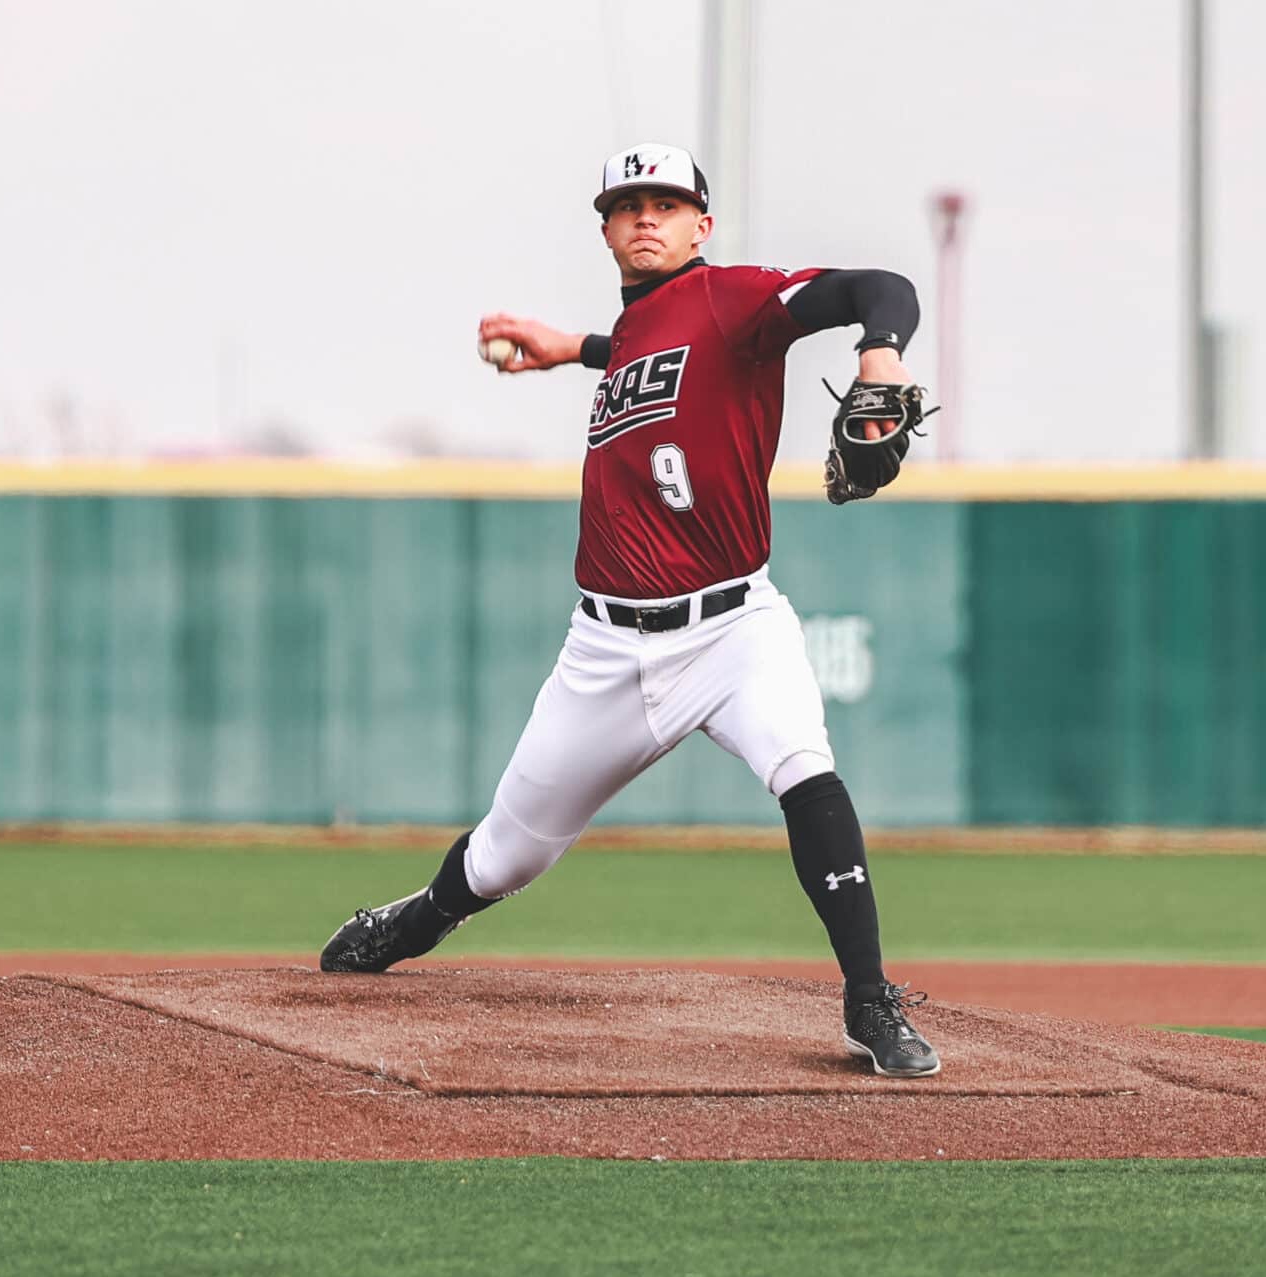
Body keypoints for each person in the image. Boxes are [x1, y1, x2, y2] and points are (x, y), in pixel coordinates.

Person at [320, 142, 940, 1077]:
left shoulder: (736, 300)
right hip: (604, 649)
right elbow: (650, 351)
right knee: (503, 860)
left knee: (805, 768)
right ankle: (418, 917)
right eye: (627, 205)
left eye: (667, 203)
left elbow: (879, 286)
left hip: (733, 630)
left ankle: (869, 999)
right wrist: (575, 348)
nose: (646, 216)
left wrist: (879, 355)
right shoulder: (644, 331)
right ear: (606, 231)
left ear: (702, 225)